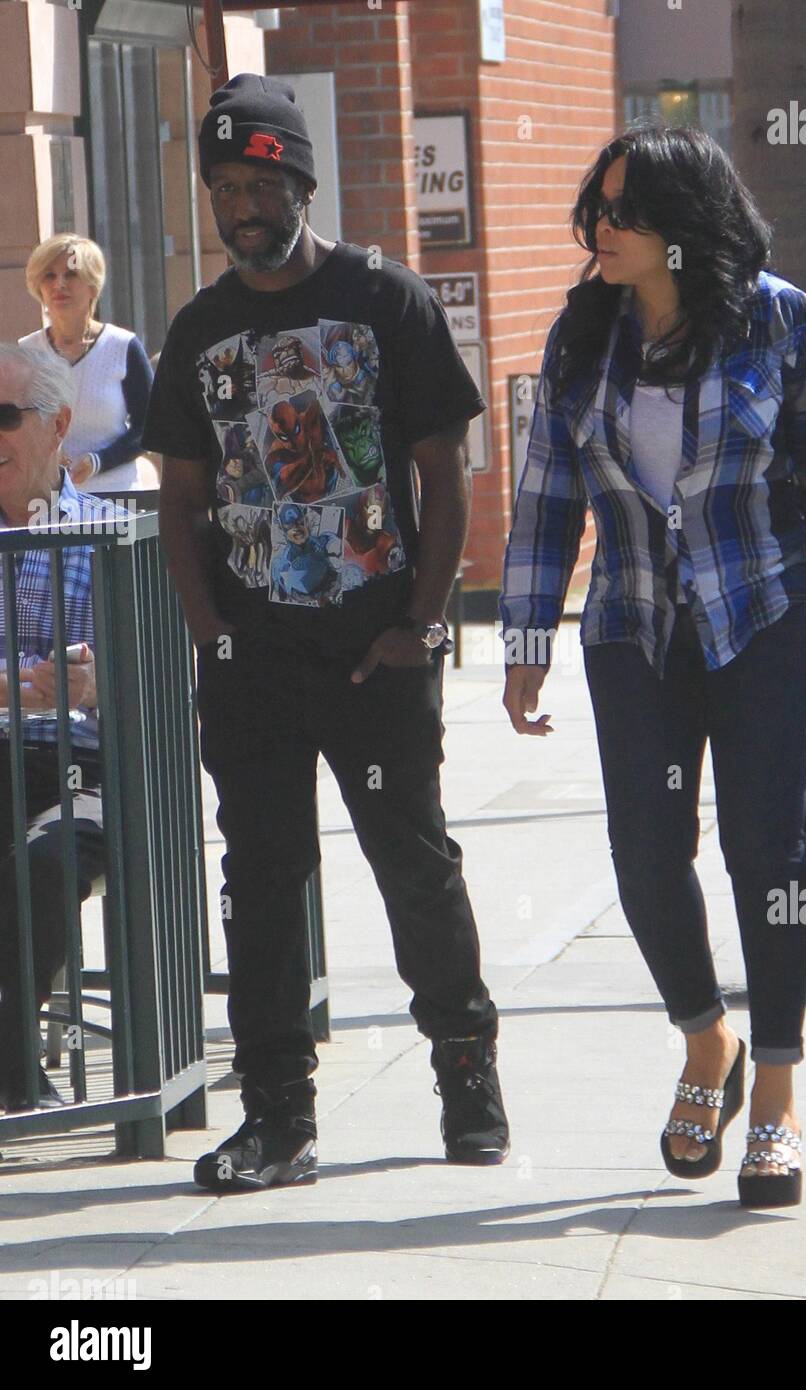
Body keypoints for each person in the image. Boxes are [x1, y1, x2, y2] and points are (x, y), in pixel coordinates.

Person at [500, 126, 806, 1209]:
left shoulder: (778, 315)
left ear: (686, 223)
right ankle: (701, 1039)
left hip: (765, 613)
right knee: (642, 855)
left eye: (624, 212)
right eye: (598, 210)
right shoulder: (584, 335)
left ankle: (773, 1093)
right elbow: (545, 497)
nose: (602, 231)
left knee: (763, 850)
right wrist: (526, 636)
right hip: (633, 625)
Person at [140, 74, 507, 1192]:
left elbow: (443, 479)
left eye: (258, 181)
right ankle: (279, 1117)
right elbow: (183, 499)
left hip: (372, 645)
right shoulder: (199, 329)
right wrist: (211, 632)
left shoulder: (384, 300)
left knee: (413, 861)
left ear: (298, 179)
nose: (240, 204)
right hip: (253, 658)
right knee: (259, 881)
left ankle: (465, 1070)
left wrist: (419, 621)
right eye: (222, 188)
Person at [0, 344, 113, 1112]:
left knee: (39, 864)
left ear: (59, 424)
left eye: (4, 417)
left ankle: (11, 1068)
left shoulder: (114, 535)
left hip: (86, 772)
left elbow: (173, 669)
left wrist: (101, 680)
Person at [20, 236, 158, 493]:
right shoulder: (27, 352)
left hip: (118, 498)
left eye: (71, 275)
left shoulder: (122, 346)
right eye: (49, 276)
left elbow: (151, 427)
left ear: (93, 286)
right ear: (38, 287)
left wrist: (99, 461)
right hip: (48, 500)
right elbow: (13, 424)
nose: (59, 284)